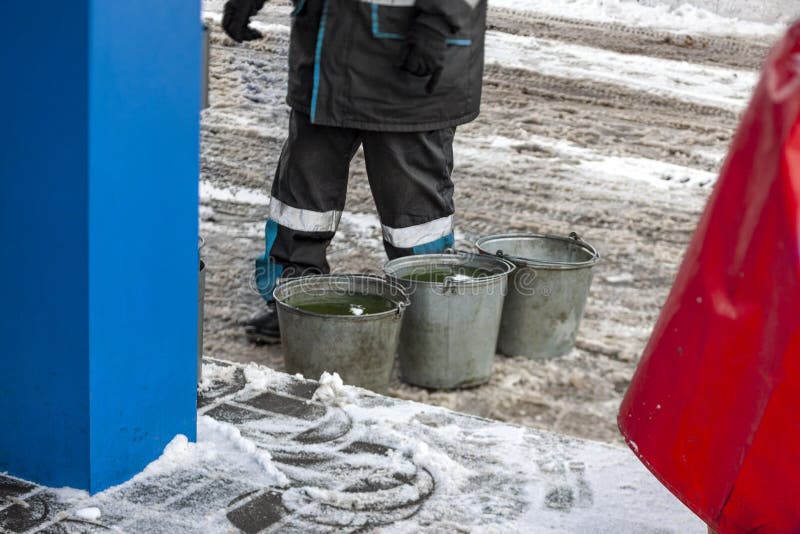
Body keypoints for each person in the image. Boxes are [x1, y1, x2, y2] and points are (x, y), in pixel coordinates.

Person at [222, 0, 487, 340]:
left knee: (414, 211)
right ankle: (293, 300)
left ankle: (429, 311)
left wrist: (438, 19)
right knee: (303, 197)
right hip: (324, 54)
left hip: (408, 59)